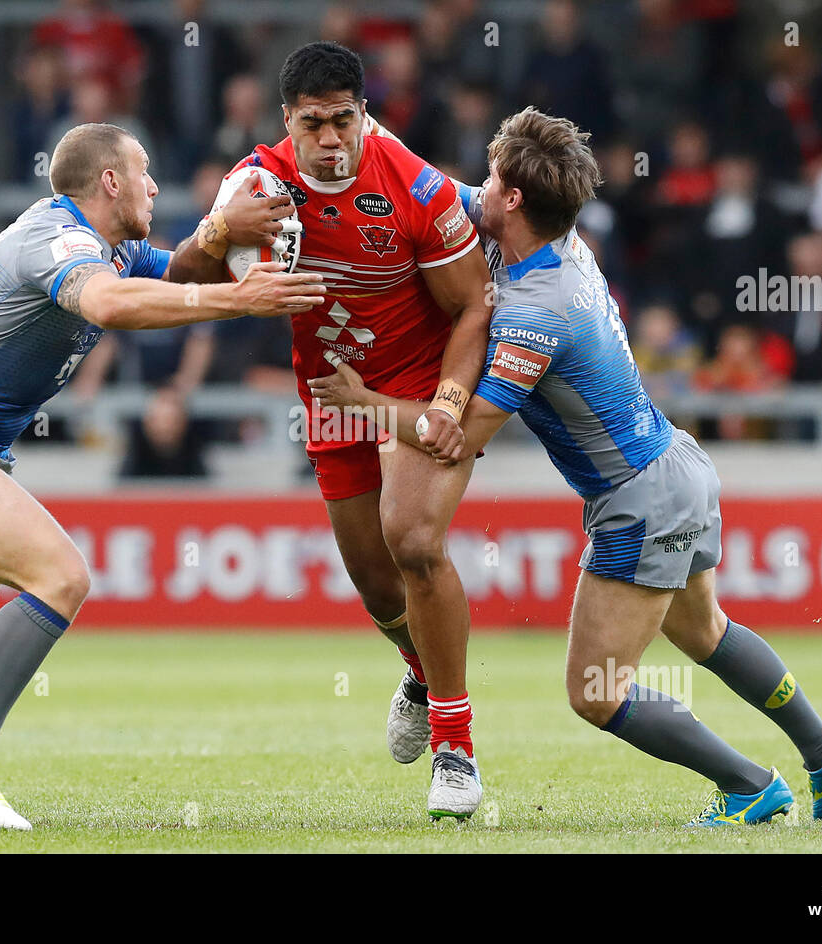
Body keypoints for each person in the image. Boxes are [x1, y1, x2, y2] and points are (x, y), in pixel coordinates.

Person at [311, 108, 822, 827]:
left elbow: (454, 436)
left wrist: (364, 402)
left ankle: (749, 786)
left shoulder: (532, 315)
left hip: (640, 498)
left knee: (596, 692)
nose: (475, 188)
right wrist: (364, 126)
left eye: (489, 179)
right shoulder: (562, 242)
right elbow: (429, 181)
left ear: (514, 199)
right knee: (704, 633)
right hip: (676, 464)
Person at [0, 122, 323, 830]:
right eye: (144, 172)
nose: (154, 186)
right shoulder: (58, 237)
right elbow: (108, 303)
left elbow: (183, 274)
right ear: (110, 181)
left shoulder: (115, 248)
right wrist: (239, 299)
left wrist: (222, 230)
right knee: (63, 577)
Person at [166, 42, 493, 819]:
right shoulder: (254, 185)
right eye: (313, 124)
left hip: (413, 381)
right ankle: (420, 670)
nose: (331, 140)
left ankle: (456, 748)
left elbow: (473, 304)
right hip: (332, 393)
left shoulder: (416, 186)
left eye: (344, 121)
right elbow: (181, 286)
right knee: (378, 585)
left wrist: (448, 401)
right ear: (288, 122)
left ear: (363, 115)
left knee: (412, 540)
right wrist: (216, 233)